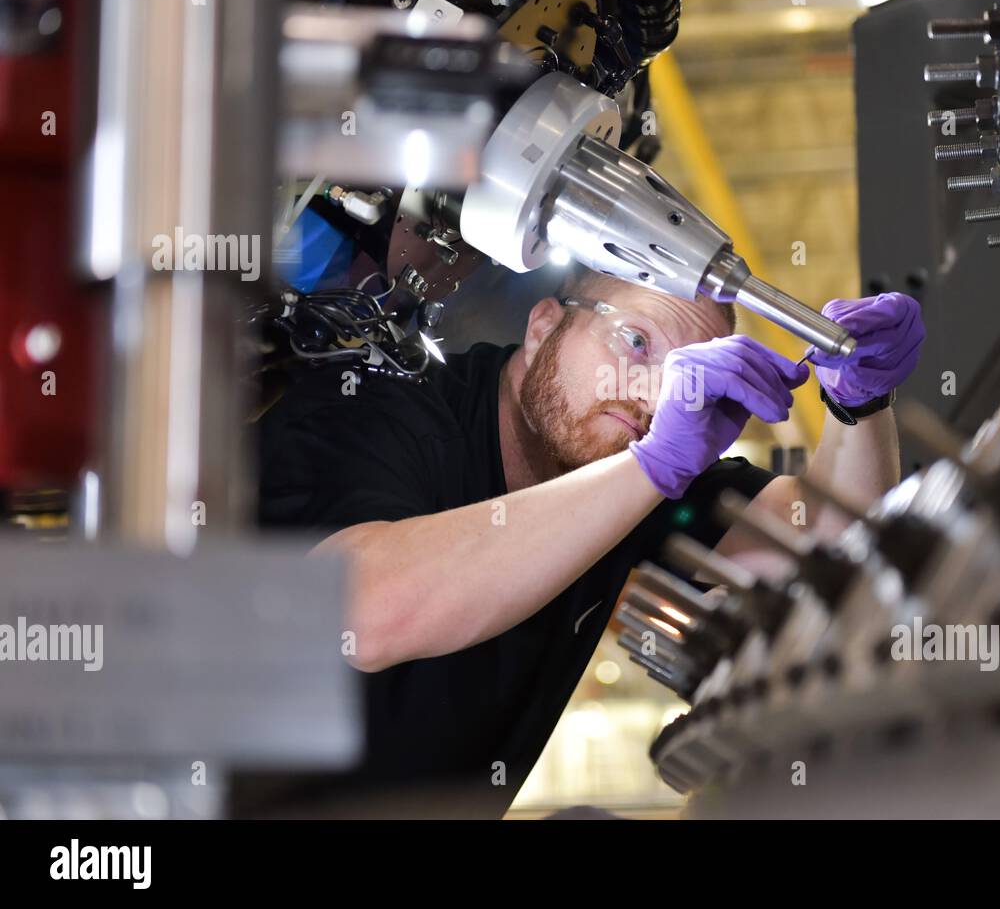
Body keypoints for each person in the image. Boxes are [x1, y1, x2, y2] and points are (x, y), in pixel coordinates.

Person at [252, 267, 924, 817]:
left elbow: (829, 545)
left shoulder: (635, 467)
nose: (650, 395)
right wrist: (650, 468)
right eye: (635, 343)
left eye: (685, 376)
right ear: (544, 324)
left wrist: (857, 406)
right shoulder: (384, 406)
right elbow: (363, 613)